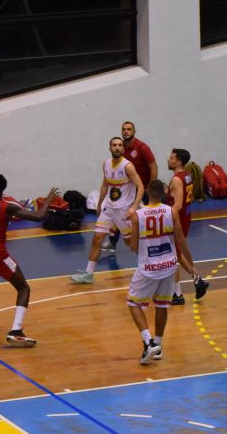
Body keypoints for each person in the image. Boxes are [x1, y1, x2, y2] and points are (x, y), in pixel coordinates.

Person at [0, 135, 57, 346]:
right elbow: (38, 217)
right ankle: (16, 330)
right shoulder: (9, 206)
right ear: (5, 188)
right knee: (24, 288)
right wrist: (49, 201)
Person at [124, 179, 207, 363]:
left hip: (148, 268)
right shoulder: (171, 212)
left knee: (133, 303)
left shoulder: (138, 215)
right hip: (169, 266)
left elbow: (132, 246)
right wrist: (192, 266)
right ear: (163, 193)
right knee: (162, 305)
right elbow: (181, 241)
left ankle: (149, 343)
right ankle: (159, 346)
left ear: (147, 192)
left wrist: (129, 232)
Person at [70, 136, 144, 283]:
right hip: (109, 209)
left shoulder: (127, 166)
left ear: (123, 148)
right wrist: (99, 204)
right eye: (114, 145)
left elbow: (140, 186)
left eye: (120, 145)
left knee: (131, 243)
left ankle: (148, 266)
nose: (117, 147)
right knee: (97, 238)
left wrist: (134, 206)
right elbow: (105, 185)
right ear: (109, 148)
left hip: (124, 210)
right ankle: (88, 274)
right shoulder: (106, 164)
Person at [103, 120, 157, 253]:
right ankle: (112, 242)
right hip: (127, 189)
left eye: (129, 129)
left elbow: (153, 166)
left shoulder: (142, 147)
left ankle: (152, 242)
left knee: (145, 216)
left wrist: (151, 186)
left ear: (134, 132)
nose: (126, 131)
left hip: (142, 187)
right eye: (124, 129)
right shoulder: (120, 148)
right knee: (119, 213)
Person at [166, 147, 195, 304]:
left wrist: (162, 216)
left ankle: (177, 294)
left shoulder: (177, 179)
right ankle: (197, 279)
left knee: (172, 257)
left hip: (177, 221)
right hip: (186, 219)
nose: (168, 160)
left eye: (171, 158)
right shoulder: (187, 176)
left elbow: (177, 205)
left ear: (178, 161)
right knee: (176, 255)